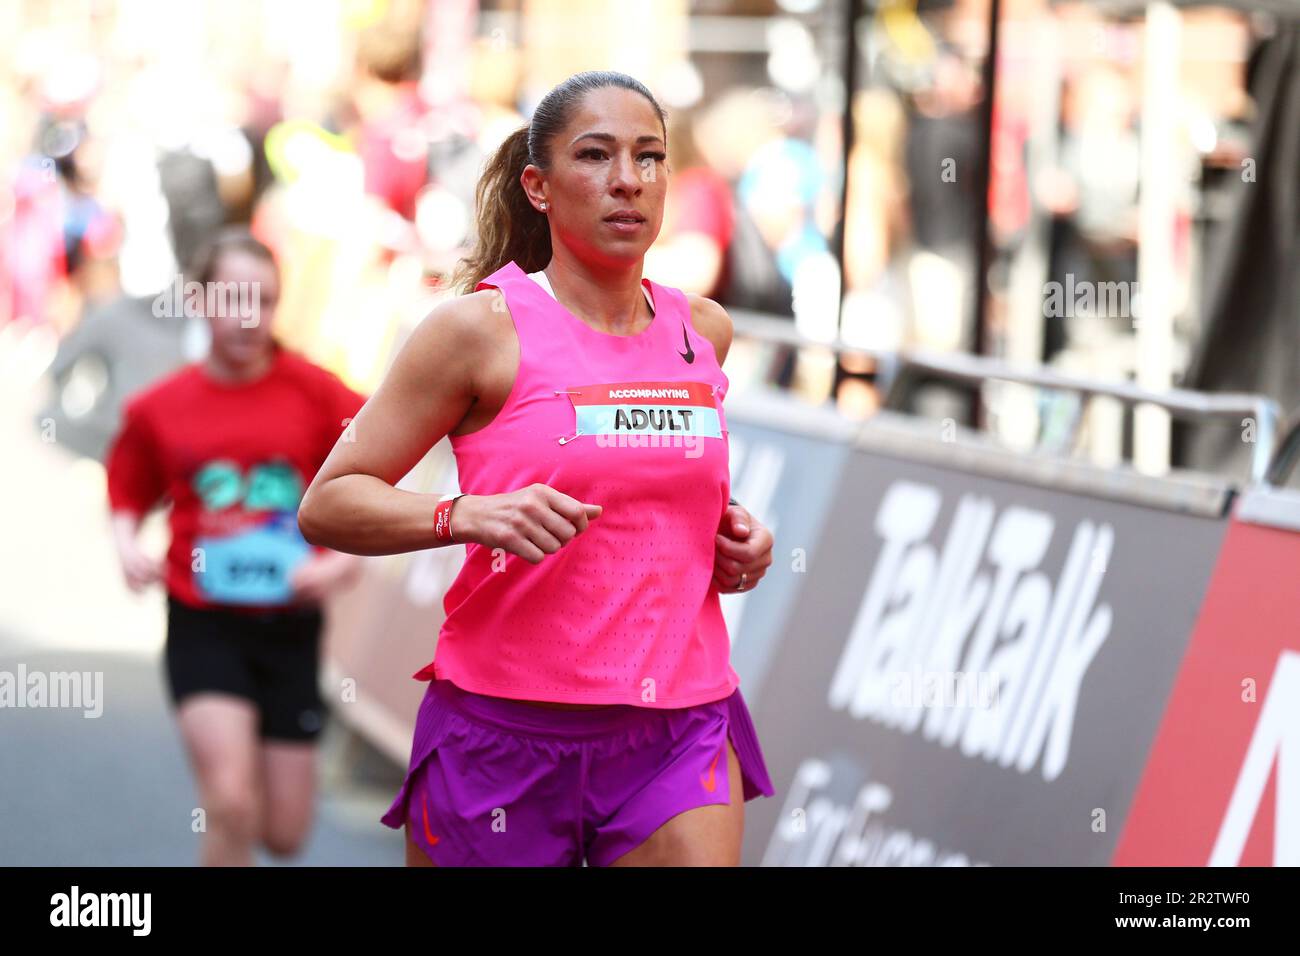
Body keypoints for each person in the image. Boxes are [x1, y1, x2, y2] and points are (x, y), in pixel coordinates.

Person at [297, 70, 777, 867]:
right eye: (595, 156)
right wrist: (465, 514)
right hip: (503, 736)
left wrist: (738, 544)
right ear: (539, 186)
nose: (628, 180)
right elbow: (330, 504)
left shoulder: (704, 330)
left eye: (649, 157)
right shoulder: (476, 331)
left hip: (676, 728)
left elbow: (660, 495)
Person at [105, 227, 368, 865]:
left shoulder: (319, 393)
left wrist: (342, 561)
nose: (251, 318)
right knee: (228, 802)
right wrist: (126, 544)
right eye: (235, 299)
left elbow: (374, 479)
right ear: (198, 299)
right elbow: (127, 489)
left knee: (283, 833)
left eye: (266, 301)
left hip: (290, 629)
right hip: (204, 621)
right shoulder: (160, 407)